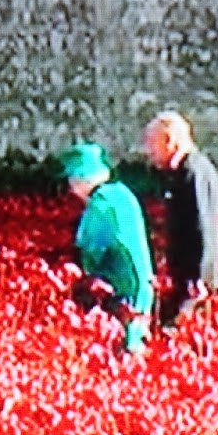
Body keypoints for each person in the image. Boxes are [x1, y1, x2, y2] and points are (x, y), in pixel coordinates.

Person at [59, 141, 154, 356]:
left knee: (123, 349)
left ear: (79, 179)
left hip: (120, 288)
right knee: (138, 339)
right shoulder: (122, 194)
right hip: (141, 284)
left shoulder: (100, 204)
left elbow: (90, 250)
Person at [143, 111, 218, 327]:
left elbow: (202, 226)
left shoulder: (193, 173)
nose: (149, 151)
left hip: (196, 282)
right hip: (194, 278)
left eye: (152, 144)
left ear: (170, 141)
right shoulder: (194, 170)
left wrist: (197, 279)